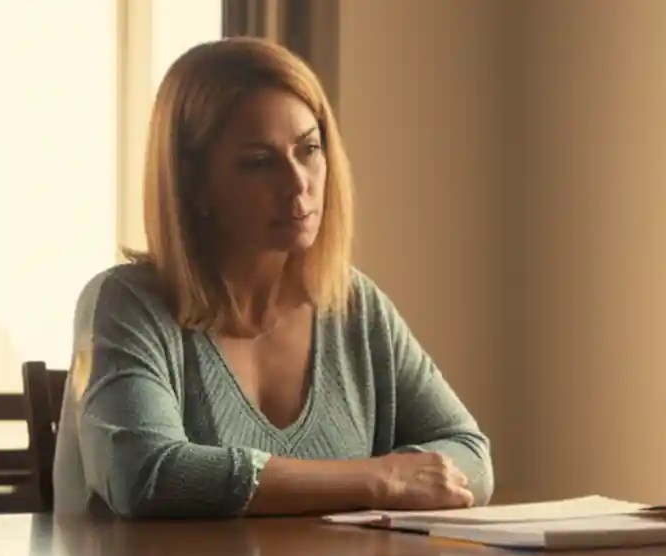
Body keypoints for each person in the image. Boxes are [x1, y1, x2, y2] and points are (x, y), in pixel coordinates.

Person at [53, 38, 491, 518]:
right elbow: (145, 473)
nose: (297, 183)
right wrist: (377, 479)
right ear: (194, 184)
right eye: (259, 162)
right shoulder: (125, 303)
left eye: (309, 149)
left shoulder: (356, 306)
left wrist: (408, 477)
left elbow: (470, 454)